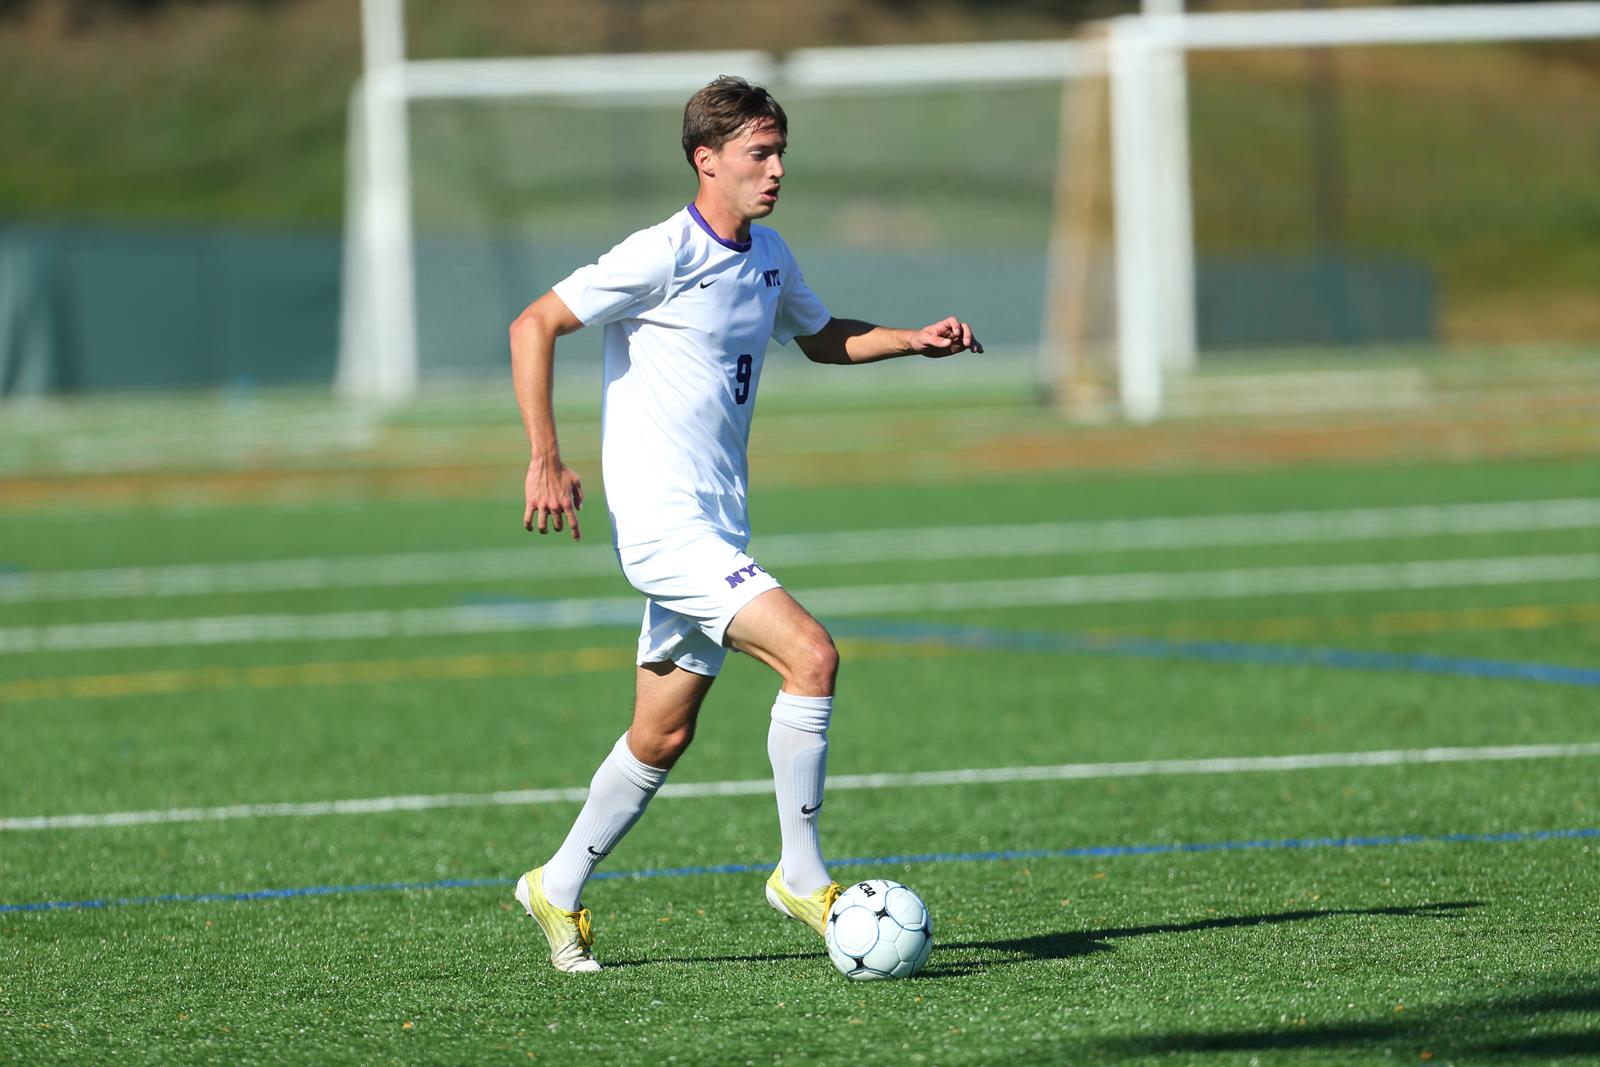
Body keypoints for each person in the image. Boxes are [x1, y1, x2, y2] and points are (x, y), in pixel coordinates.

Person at [508, 74, 982, 973]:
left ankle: (555, 885)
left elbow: (818, 335)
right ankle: (801, 875)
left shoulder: (770, 257)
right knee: (812, 654)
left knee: (663, 732)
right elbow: (533, 324)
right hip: (660, 525)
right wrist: (545, 456)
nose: (774, 171)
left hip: (717, 528)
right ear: (707, 160)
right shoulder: (659, 253)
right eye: (758, 155)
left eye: (780, 155)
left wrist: (910, 339)